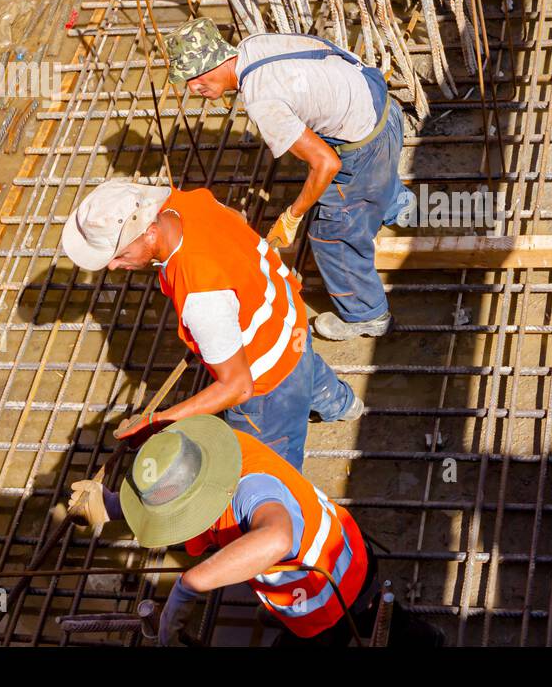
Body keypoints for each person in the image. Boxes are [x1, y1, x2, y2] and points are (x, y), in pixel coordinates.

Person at [60, 178, 361, 469]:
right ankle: (345, 405)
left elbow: (238, 388)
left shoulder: (202, 297)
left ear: (150, 232)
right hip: (288, 321)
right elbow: (234, 220)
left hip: (267, 386)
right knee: (309, 370)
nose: (113, 266)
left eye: (120, 254)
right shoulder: (187, 202)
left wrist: (158, 421)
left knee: (268, 471)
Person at [70, 415, 444, 646]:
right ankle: (425, 640)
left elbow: (277, 537)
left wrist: (189, 586)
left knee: (362, 617)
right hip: (342, 551)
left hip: (328, 590)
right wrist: (116, 505)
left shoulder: (251, 489)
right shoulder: (214, 457)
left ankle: (423, 641)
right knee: (378, 613)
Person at [166, 17, 412, 342]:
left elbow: (327, 163)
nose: (193, 90)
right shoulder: (252, 45)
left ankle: (367, 316)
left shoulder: (261, 100)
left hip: (365, 144)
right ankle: (400, 206)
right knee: (373, 181)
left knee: (331, 235)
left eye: (192, 81)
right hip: (383, 109)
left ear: (206, 73)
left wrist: (291, 217)